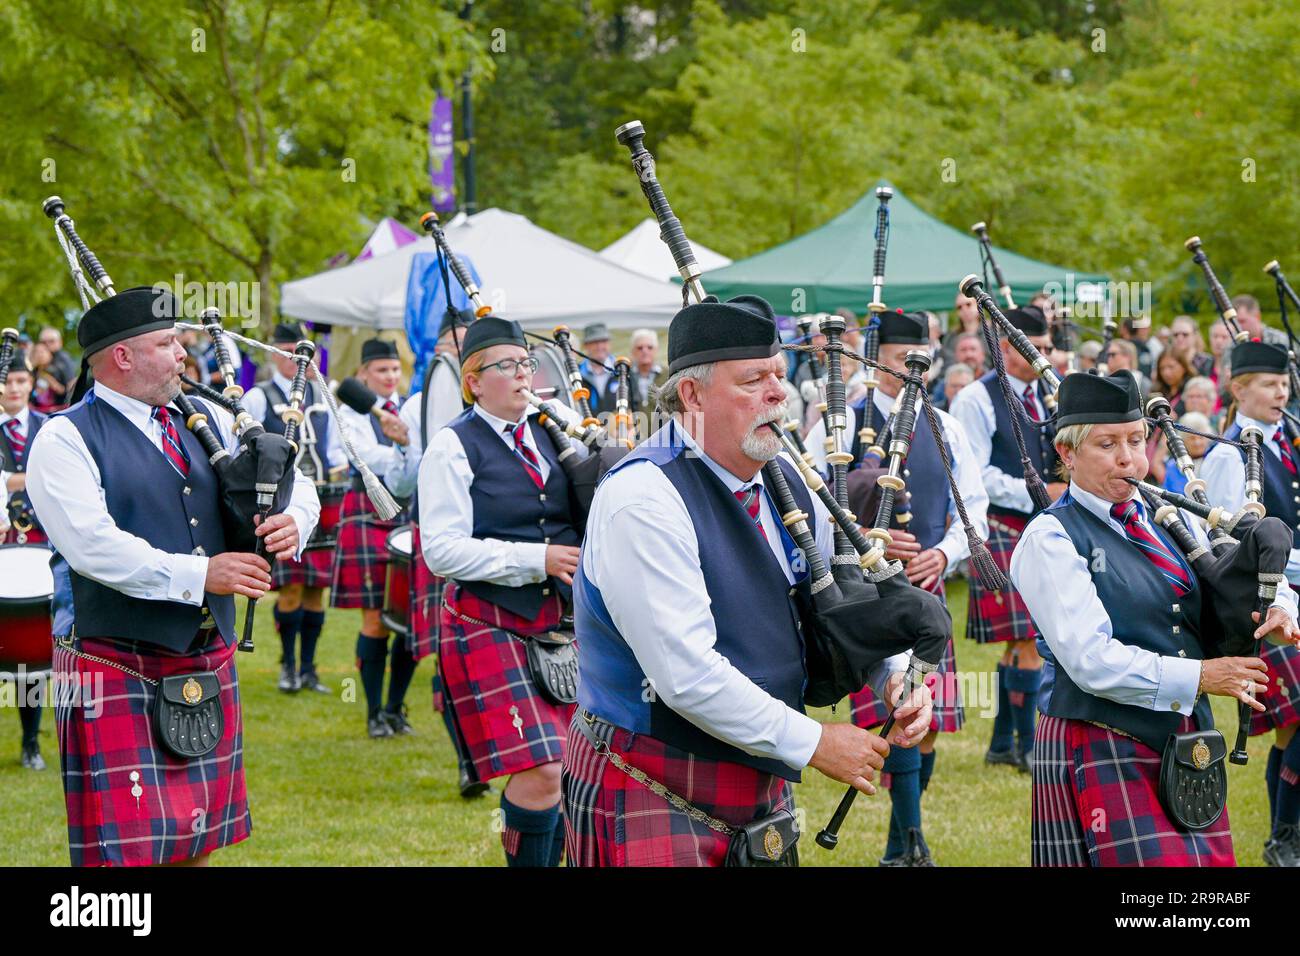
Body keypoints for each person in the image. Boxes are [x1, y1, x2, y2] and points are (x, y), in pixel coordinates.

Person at [563, 294, 932, 868]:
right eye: (753, 379)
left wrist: (890, 674)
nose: (779, 394)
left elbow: (837, 600)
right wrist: (816, 743)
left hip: (756, 775)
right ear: (691, 395)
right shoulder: (642, 499)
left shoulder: (787, 481)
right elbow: (684, 673)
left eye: (779, 376)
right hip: (649, 773)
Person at [25, 287, 319, 866]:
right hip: (114, 657)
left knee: (194, 840)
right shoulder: (65, 438)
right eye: (167, 342)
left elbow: (289, 471)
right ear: (123, 357)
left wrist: (295, 520)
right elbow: (92, 547)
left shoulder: (206, 414)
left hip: (204, 655)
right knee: (130, 855)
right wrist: (200, 574)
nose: (183, 353)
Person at [1015, 370, 1298, 866]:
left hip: (1188, 739)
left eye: (1136, 440)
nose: (1129, 458)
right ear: (1067, 454)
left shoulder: (1171, 516)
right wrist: (1205, 675)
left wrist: (1279, 603)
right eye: (1107, 444)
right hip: (1101, 735)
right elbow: (1091, 660)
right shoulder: (1051, 539)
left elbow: (1233, 572)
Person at [806, 311, 988, 866]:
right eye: (896, 363)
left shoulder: (945, 425)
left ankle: (903, 838)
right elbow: (811, 508)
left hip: (924, 595)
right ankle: (909, 842)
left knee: (923, 728)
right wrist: (862, 547)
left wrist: (943, 553)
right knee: (892, 715)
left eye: (919, 363)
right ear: (875, 361)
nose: (909, 375)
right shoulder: (837, 425)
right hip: (865, 599)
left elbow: (972, 507)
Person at [420, 316, 585, 866]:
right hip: (490, 621)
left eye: (527, 364)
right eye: (507, 366)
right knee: (541, 771)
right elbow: (441, 551)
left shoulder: (550, 430)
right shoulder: (452, 446)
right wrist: (536, 559)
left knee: (571, 769)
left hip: (560, 625)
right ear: (472, 382)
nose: (522, 375)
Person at [950, 305, 1063, 771]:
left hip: (1044, 527)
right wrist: (1038, 492)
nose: (1045, 355)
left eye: (1049, 347)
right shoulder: (975, 399)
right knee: (1027, 642)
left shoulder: (1046, 397)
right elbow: (975, 475)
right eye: (1036, 347)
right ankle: (1026, 744)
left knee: (1026, 640)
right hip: (1001, 527)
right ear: (1006, 345)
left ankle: (1003, 743)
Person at [1200, 341, 1300, 865]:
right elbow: (1224, 541)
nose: (1280, 390)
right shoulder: (1225, 456)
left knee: (1295, 725)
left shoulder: (1291, 443)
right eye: (1267, 383)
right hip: (1268, 600)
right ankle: (1283, 836)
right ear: (1238, 389)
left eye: (1283, 382)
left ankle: (1288, 829)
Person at [242, 322, 346, 694]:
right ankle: (287, 665)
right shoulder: (258, 396)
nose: (293, 359)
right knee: (290, 591)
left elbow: (334, 450)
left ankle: (309, 668)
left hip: (324, 496)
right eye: (285, 351)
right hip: (283, 502)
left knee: (317, 590)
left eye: (298, 351)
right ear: (273, 353)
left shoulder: (324, 395)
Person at [331, 338, 418, 738]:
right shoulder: (348, 411)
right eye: (381, 370)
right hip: (365, 511)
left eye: (395, 370)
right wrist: (404, 450)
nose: (389, 377)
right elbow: (363, 458)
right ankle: (372, 713)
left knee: (408, 618)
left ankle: (396, 709)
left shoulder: (413, 408)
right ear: (364, 373)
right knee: (375, 618)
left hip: (409, 513)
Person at [1, 349, 49, 770]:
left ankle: (31, 740)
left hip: (42, 551)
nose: (13, 389)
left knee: (28, 654)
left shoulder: (51, 428)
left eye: (21, 381)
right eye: (7, 381)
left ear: (31, 382)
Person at [1161, 411, 1212, 496]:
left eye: (1201, 437)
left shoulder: (1214, 459)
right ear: (1183, 440)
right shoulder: (1174, 466)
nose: (1197, 442)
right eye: (1192, 438)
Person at [578, 322, 618, 415]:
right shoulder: (576, 373)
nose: (600, 346)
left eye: (603, 341)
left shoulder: (622, 370)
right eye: (595, 342)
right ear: (586, 345)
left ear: (609, 344)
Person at [627, 327, 664, 422]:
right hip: (633, 434)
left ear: (656, 350)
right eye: (640, 348)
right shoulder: (625, 376)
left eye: (649, 347)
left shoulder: (668, 374)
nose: (645, 351)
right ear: (633, 352)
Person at [1152, 348, 1196, 417]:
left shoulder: (1193, 389)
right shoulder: (1157, 392)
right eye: (1162, 368)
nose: (1166, 373)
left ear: (1183, 367)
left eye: (1171, 367)